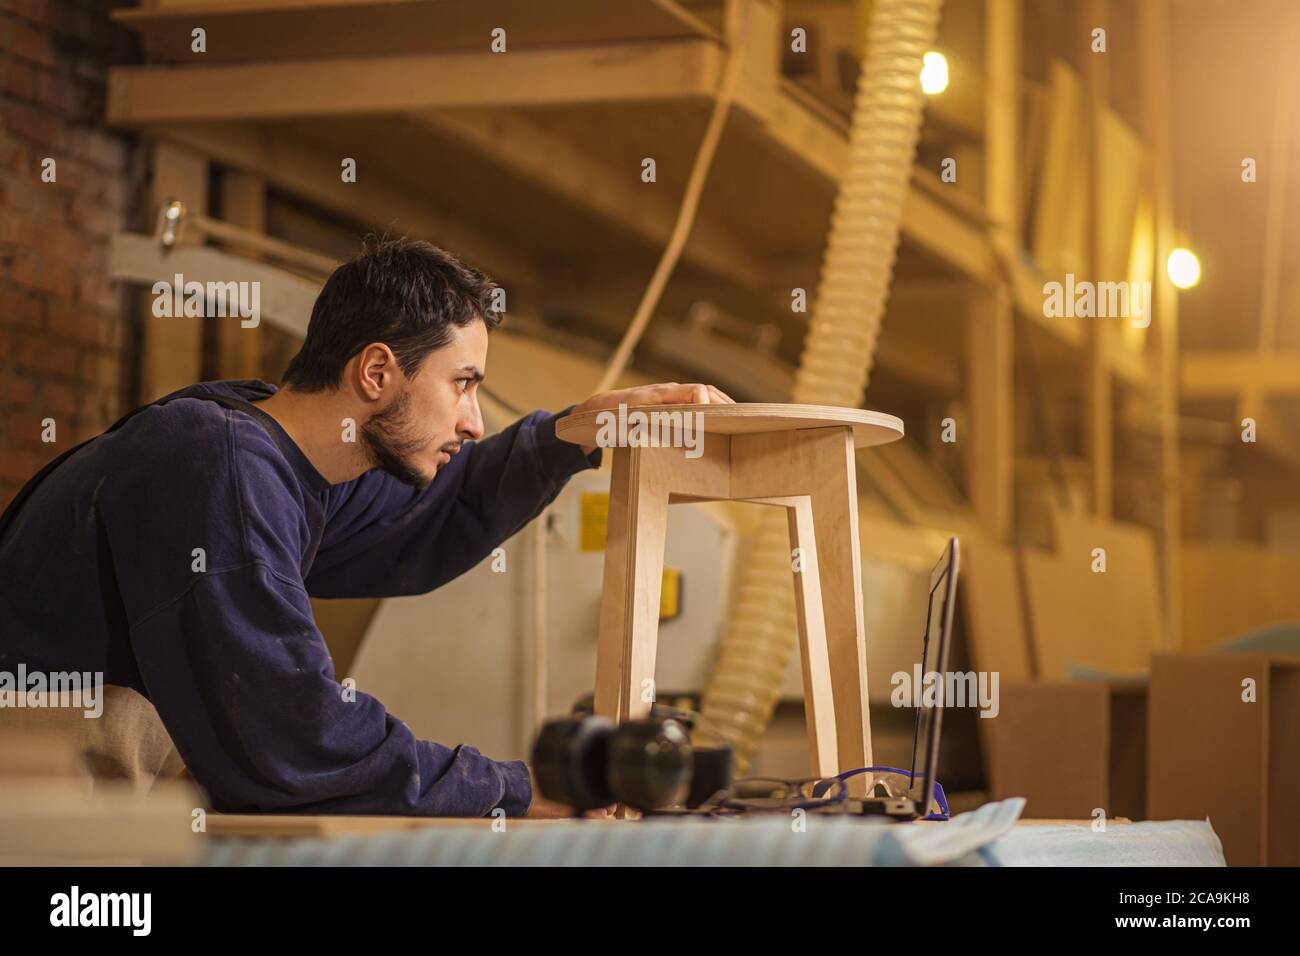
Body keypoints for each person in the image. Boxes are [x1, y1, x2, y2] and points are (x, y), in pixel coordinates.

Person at [0, 236, 732, 818]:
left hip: (99, 792)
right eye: (464, 384)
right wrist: (514, 789)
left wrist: (570, 435)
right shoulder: (217, 463)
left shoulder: (279, 464)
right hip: (39, 799)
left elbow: (429, 516)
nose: (474, 422)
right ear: (377, 372)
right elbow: (296, 736)